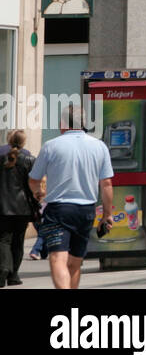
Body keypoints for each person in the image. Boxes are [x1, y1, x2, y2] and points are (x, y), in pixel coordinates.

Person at [27, 105, 114, 290]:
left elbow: (34, 179)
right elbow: (106, 184)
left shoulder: (51, 146)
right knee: (75, 261)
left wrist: (38, 194)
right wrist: (107, 215)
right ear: (84, 123)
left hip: (59, 209)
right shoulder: (99, 146)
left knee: (58, 258)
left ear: (63, 123)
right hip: (86, 210)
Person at [0, 130, 37, 287]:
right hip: (22, 208)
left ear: (9, 140)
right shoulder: (29, 159)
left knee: (3, 240)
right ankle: (14, 275)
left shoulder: (1, 157)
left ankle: (3, 268)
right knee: (18, 241)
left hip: (1, 207)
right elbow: (33, 185)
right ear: (23, 142)